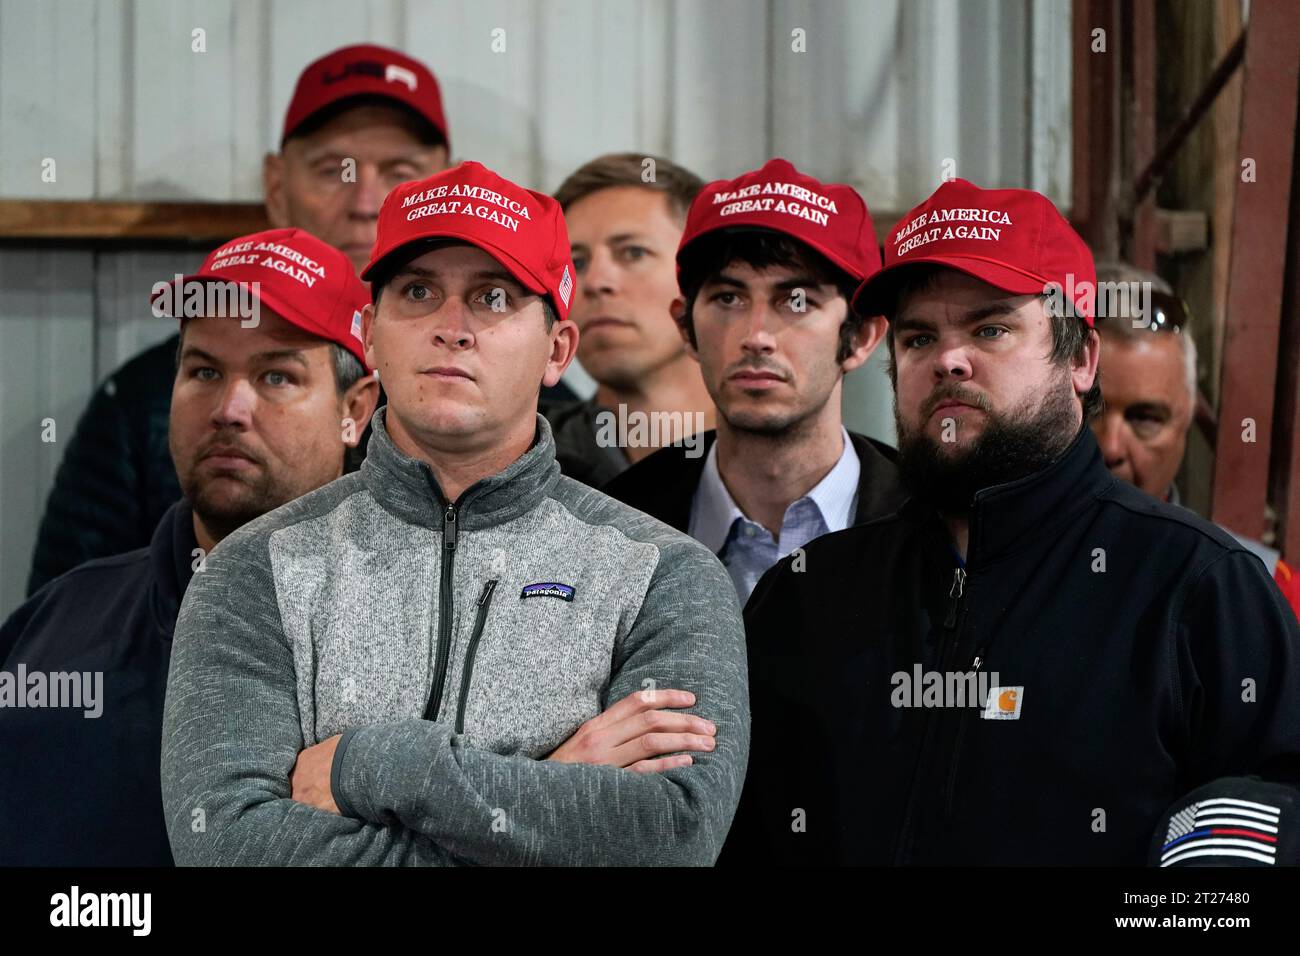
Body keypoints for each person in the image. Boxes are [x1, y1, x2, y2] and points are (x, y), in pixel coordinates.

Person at [160, 161, 750, 866]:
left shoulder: (665, 575)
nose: (452, 327)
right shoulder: (252, 571)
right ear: (373, 332)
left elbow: (673, 836)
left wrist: (380, 765)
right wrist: (554, 786)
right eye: (418, 291)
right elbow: (225, 845)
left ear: (557, 348)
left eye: (493, 297)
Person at [726, 178, 1300, 865]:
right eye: (918, 337)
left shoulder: (1198, 588)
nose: (948, 359)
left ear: (1081, 359)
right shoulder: (808, 595)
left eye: (991, 327)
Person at [24, 44, 553, 594]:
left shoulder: (518, 391)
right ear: (276, 187)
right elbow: (70, 617)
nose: (366, 201)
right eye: (333, 171)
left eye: (400, 174)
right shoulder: (143, 400)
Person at [0, 228, 380, 865]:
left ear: (356, 410)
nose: (230, 408)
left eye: (277, 376)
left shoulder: (431, 634)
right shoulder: (56, 629)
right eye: (204, 370)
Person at [604, 158, 905, 605]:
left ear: (862, 336)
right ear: (686, 328)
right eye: (728, 298)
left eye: (796, 302)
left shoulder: (938, 522)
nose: (757, 337)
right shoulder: (613, 524)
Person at [1089, 261, 1300, 616]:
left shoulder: (1264, 594)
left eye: (1145, 418)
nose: (1110, 447)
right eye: (1088, 410)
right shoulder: (976, 570)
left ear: (1187, 417)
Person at [546, 153, 712, 486]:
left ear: (703, 273)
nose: (595, 282)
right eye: (576, 263)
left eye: (634, 252)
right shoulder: (522, 461)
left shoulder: (778, 455)